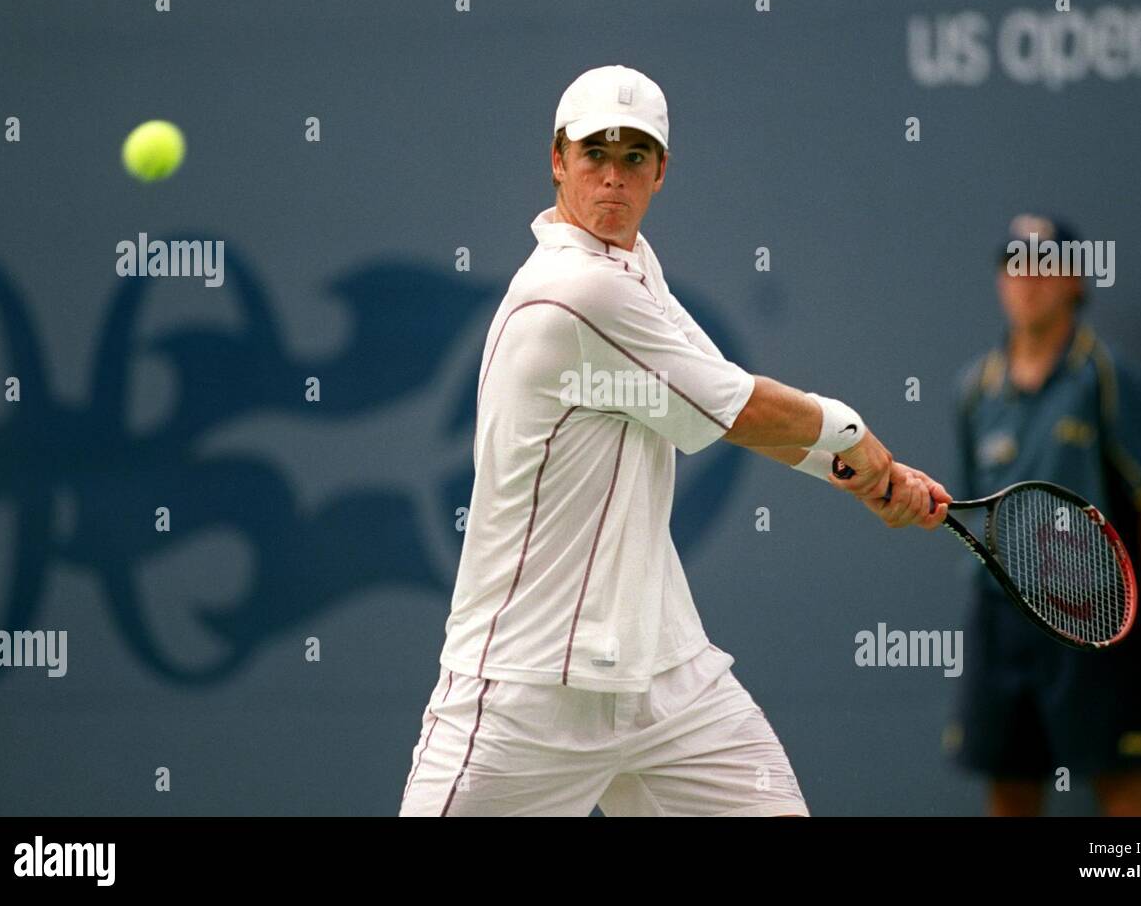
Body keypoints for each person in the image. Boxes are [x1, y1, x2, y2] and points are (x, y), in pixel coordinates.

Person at [399, 64, 950, 817]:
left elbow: (715, 389)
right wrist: (860, 441)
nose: (613, 181)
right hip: (529, 690)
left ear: (662, 171)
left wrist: (860, 477)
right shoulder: (574, 290)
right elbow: (742, 409)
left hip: (664, 683)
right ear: (557, 159)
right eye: (595, 155)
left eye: (635, 159)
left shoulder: (633, 267)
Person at [946, 214, 1141, 816]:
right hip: (1000, 616)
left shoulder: (1108, 376)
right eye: (1014, 266)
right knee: (1008, 783)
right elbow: (978, 504)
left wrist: (1115, 599)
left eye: (1045, 266)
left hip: (1088, 615)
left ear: (1076, 281)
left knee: (1119, 777)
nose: (1028, 281)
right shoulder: (974, 387)